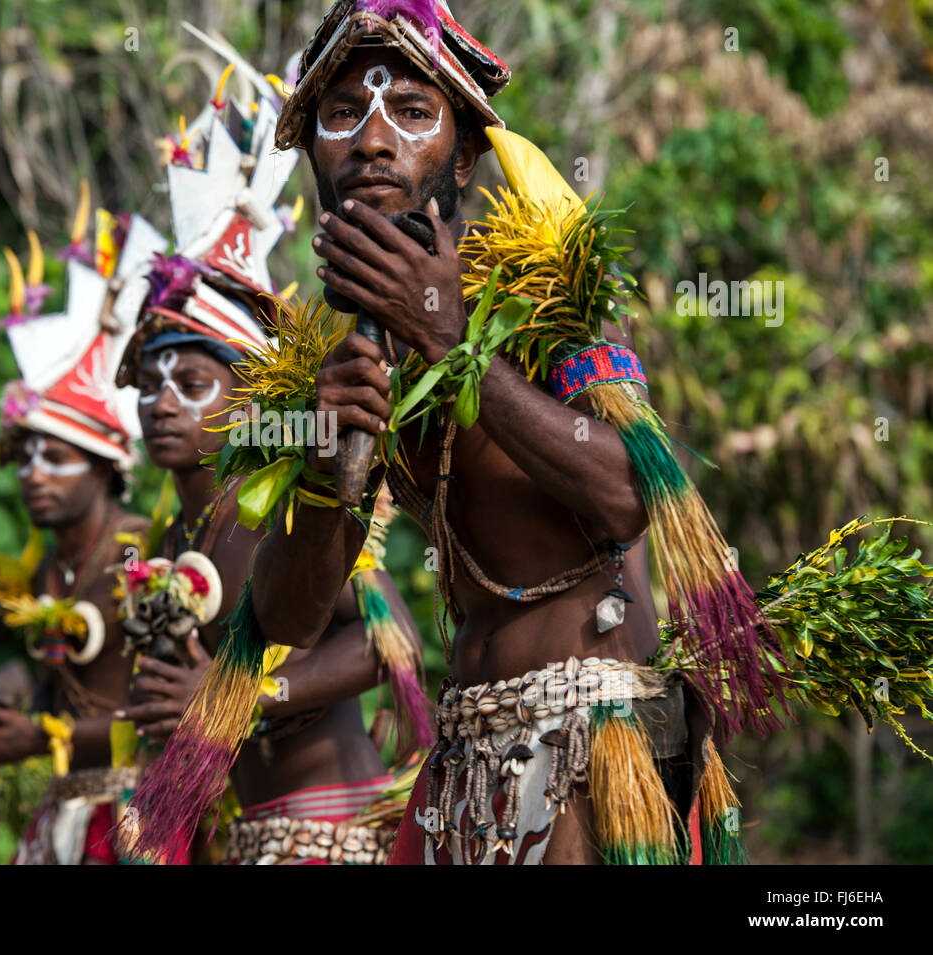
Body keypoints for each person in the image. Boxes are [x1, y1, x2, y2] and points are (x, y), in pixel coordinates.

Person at [251, 0, 760, 865]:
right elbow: (287, 615)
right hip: (462, 770)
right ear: (313, 157)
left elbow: (634, 496)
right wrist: (330, 457)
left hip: (593, 755)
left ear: (467, 151)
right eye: (342, 114)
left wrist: (453, 342)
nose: (373, 141)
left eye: (411, 112)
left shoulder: (545, 289)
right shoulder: (334, 370)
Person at [115, 37, 429, 864]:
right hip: (249, 837)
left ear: (246, 392)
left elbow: (388, 639)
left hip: (329, 830)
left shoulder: (281, 497)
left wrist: (235, 696)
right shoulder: (166, 545)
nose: (160, 404)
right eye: (149, 382)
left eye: (191, 380)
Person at [0, 211, 162, 865]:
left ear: (108, 468)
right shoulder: (46, 569)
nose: (34, 475)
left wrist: (43, 738)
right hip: (63, 811)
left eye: (56, 459)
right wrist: (1, 715)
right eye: (26, 458)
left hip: (138, 815)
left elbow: (170, 718)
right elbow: (55, 697)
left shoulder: (144, 553)